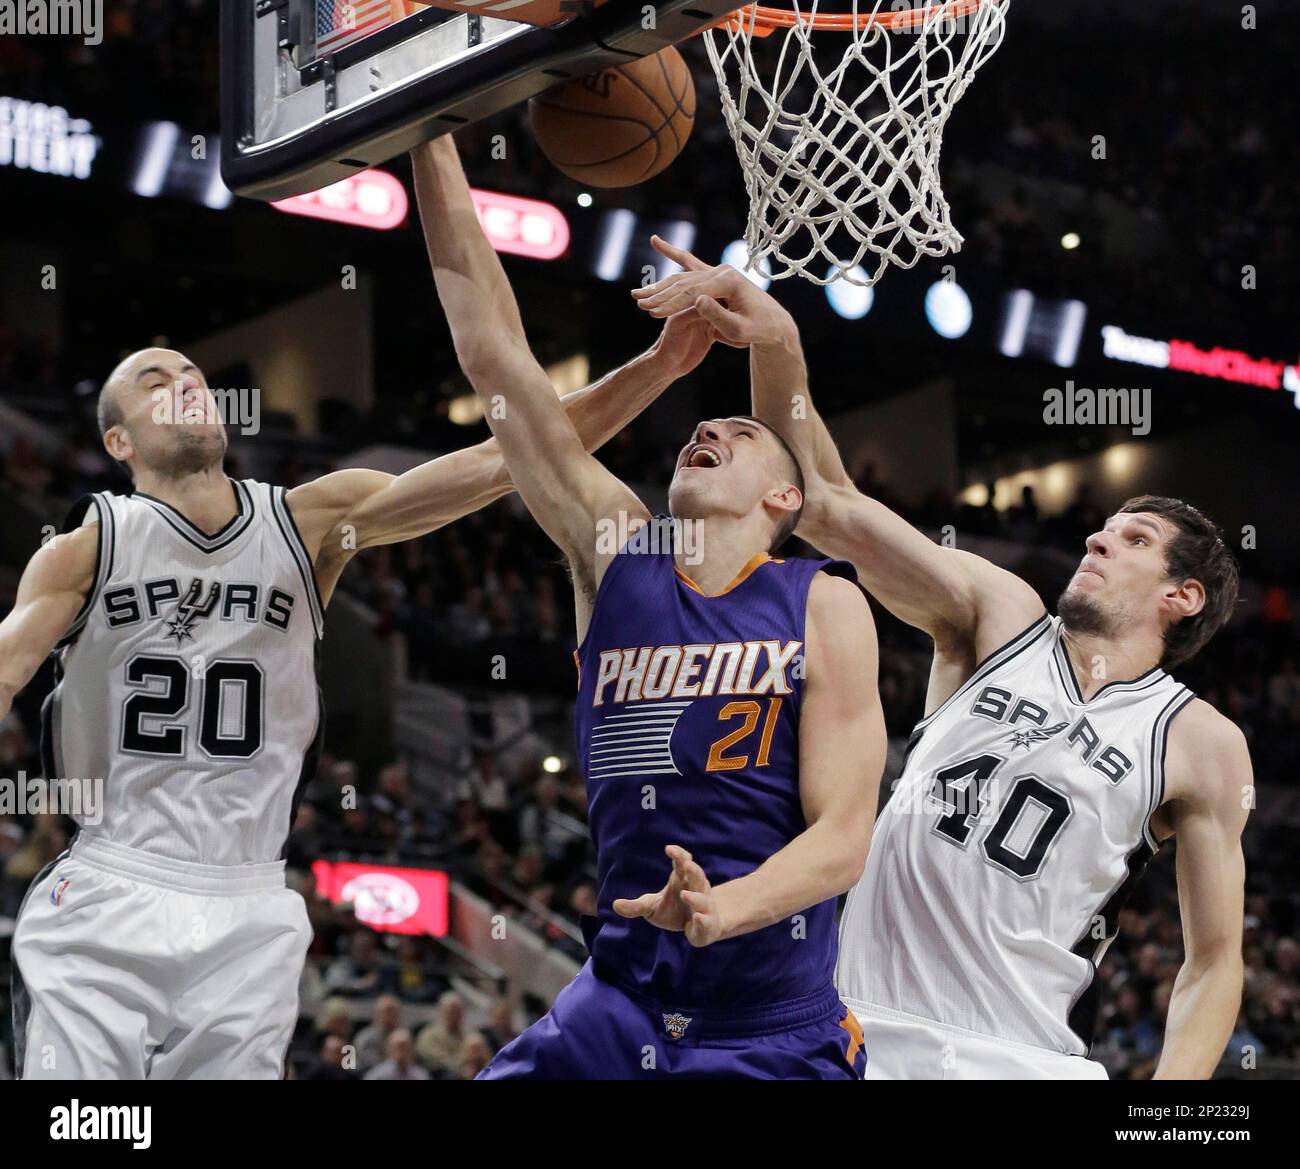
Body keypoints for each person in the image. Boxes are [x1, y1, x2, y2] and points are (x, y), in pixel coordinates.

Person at [0, 273, 713, 1081]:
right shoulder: (88, 544)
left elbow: (503, 462)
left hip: (248, 901)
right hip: (111, 881)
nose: (184, 387)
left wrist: (660, 366)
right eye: (154, 382)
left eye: (194, 377)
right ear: (119, 442)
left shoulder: (304, 523)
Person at [633, 240, 1253, 1080]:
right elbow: (822, 501)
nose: (1099, 537)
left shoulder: (1200, 742)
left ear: (1183, 597)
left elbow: (1214, 961)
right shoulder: (998, 617)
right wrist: (776, 337)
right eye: (1105, 526)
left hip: (1023, 1057)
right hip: (857, 1026)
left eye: (1134, 538)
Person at [413, 134, 885, 1080]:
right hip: (619, 1000)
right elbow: (496, 360)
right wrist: (424, 131)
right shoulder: (621, 550)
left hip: (772, 1021)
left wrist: (724, 908)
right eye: (702, 426)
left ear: (786, 499)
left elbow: (842, 837)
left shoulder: (820, 601)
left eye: (741, 431)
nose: (705, 428)